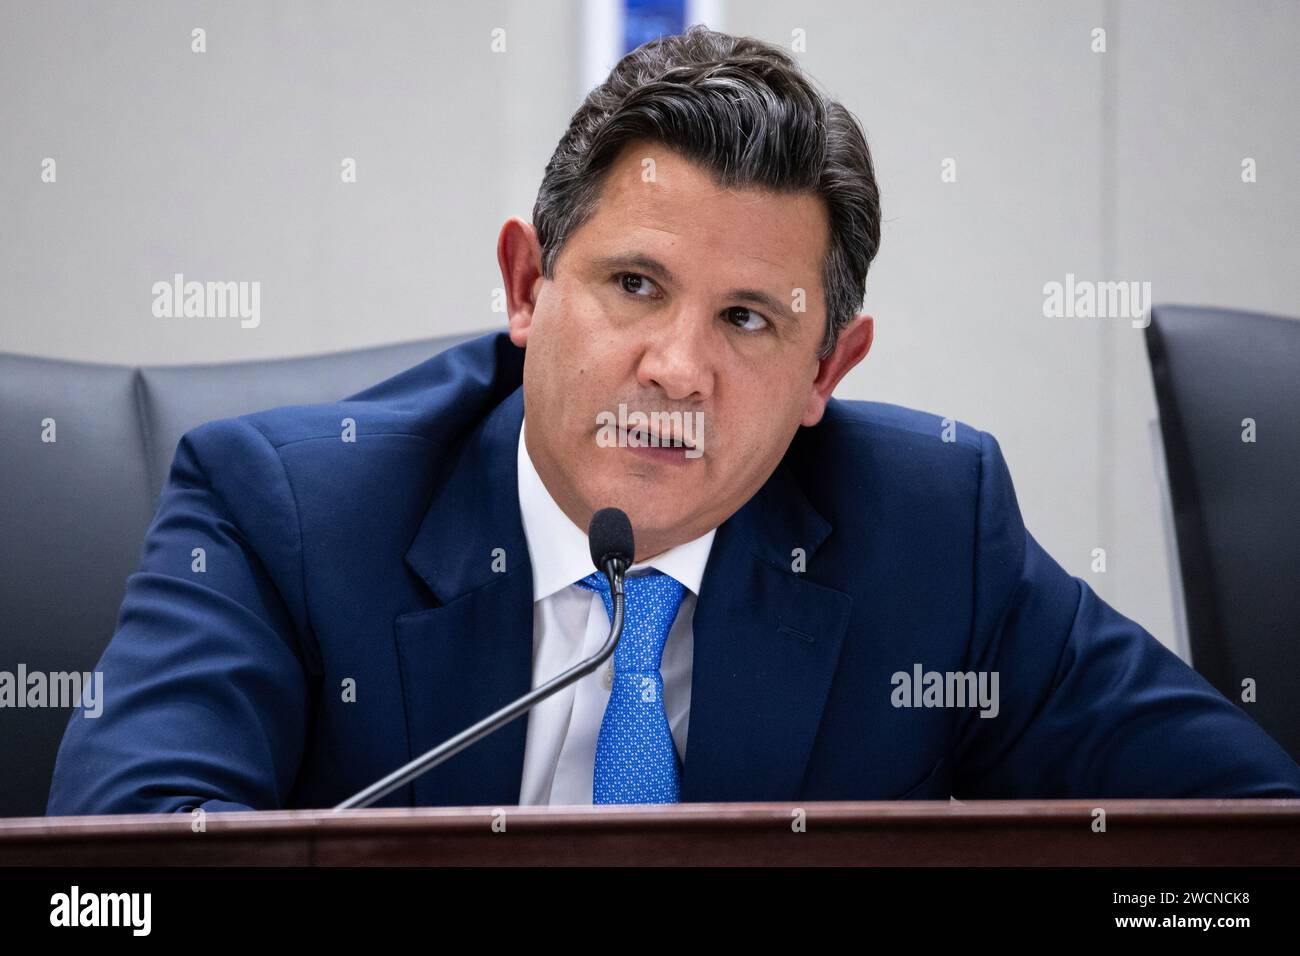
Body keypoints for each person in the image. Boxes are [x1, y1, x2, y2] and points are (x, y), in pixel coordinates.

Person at [47, 25, 1300, 814]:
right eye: (635, 285)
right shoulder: (285, 514)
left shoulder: (932, 531)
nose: (677, 369)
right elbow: (114, 891)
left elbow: (1237, 838)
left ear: (828, 370)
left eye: (750, 319)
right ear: (528, 287)